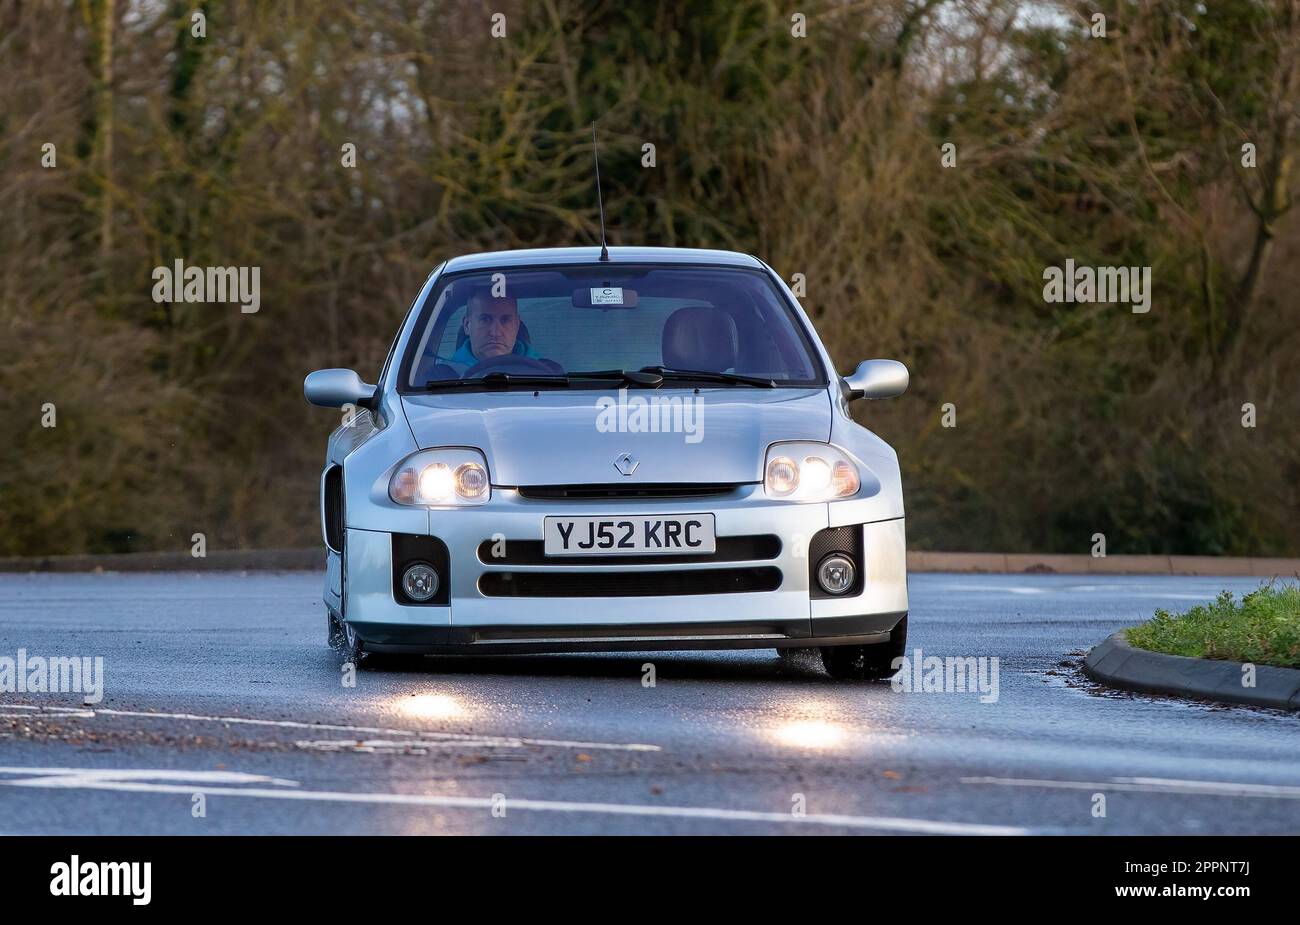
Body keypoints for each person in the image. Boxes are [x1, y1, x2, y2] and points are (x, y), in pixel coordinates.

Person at [443, 290, 542, 375]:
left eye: (505, 320)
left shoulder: (549, 374)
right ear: (467, 325)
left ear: (517, 326)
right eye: (485, 319)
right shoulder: (441, 377)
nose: (496, 333)